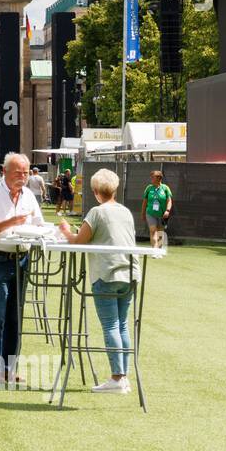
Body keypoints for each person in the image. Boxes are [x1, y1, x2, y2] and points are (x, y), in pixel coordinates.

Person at [59, 168, 138, 393]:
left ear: (95, 191)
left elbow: (78, 242)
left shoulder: (96, 212)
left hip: (106, 273)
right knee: (122, 325)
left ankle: (117, 377)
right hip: (129, 272)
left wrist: (65, 230)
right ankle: (123, 376)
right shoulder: (125, 212)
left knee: (112, 325)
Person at [0, 153, 45, 387]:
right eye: (18, 172)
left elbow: (38, 224)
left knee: (15, 316)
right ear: (4, 172)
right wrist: (12, 222)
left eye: (26, 172)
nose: (23, 177)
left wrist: (48, 232)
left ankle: (10, 368)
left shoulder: (28, 196)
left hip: (22, 260)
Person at [141, 170, 173, 249]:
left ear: (159, 178)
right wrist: (143, 213)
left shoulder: (165, 188)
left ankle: (159, 249)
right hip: (150, 213)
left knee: (160, 232)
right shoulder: (149, 188)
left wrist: (167, 210)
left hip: (162, 214)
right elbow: (144, 202)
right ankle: (154, 249)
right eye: (151, 177)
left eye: (153, 177)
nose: (151, 178)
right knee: (152, 231)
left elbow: (169, 201)